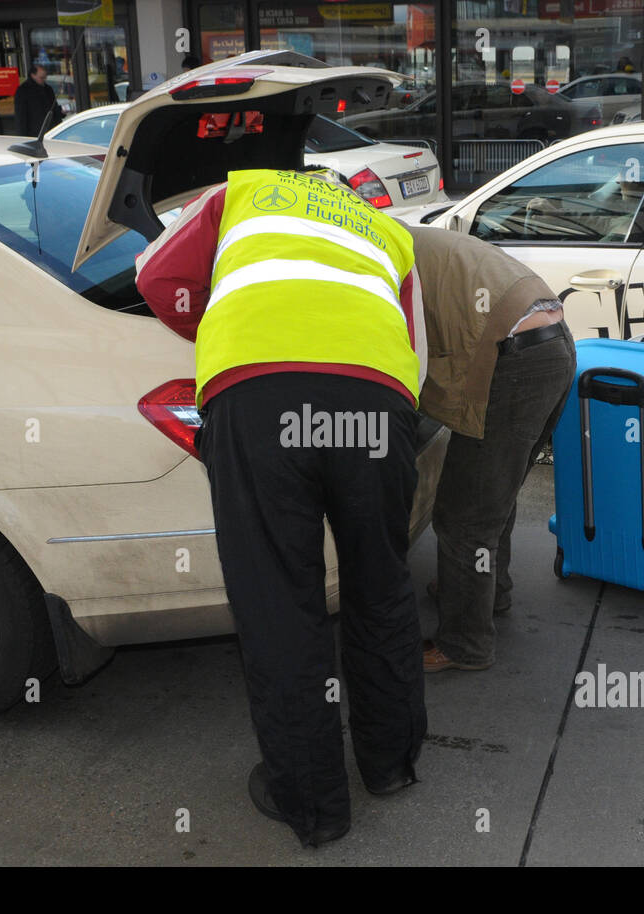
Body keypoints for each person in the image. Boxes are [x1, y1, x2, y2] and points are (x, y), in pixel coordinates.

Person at [134, 166, 429, 848]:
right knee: (381, 587)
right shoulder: (388, 230)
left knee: (278, 604)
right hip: (376, 405)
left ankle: (314, 806)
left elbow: (157, 281)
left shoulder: (238, 192)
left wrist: (226, 331)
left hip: (261, 398)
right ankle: (391, 765)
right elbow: (413, 356)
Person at [404, 225, 576, 673]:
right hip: (552, 340)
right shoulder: (404, 234)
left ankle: (465, 644)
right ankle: (488, 592)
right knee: (494, 492)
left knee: (465, 516)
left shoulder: (373, 256)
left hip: (514, 358)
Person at [14, 64, 61, 137]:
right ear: (33, 75)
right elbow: (21, 117)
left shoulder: (48, 89)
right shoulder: (23, 91)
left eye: (45, 78)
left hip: (50, 131)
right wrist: (22, 136)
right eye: (41, 78)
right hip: (34, 132)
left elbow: (54, 108)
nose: (44, 80)